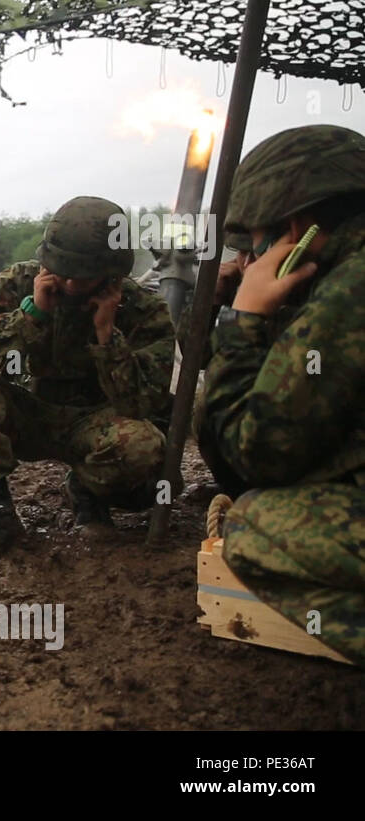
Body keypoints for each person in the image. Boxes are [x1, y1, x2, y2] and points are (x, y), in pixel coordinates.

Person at [200, 124, 365, 665]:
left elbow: (256, 453)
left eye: (256, 239)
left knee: (253, 525)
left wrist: (244, 321)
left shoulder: (348, 292)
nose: (251, 255)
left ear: (295, 227)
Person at [0, 196, 175, 563]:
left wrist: (107, 336)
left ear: (112, 272)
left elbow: (142, 404)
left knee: (144, 448)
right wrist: (31, 314)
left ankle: (87, 493)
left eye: (80, 274)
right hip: (30, 412)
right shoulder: (21, 282)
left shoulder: (144, 310)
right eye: (60, 268)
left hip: (96, 421)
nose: (66, 280)